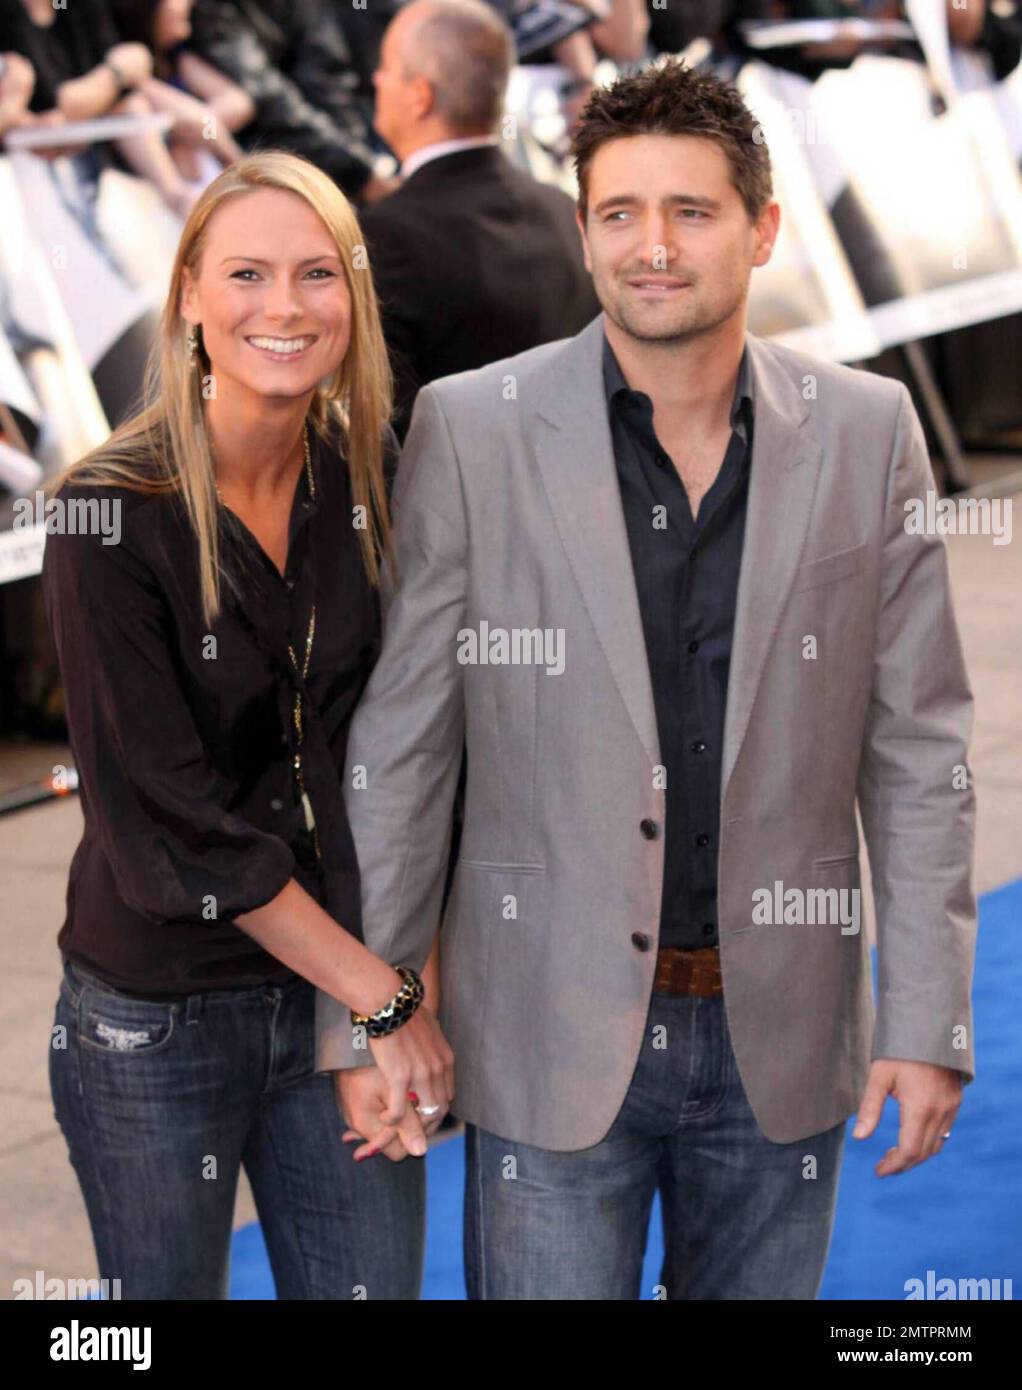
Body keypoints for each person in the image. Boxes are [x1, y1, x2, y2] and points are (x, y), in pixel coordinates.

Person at [317, 59, 977, 1299]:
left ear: (762, 229)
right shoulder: (474, 428)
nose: (651, 246)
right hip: (543, 1031)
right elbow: (403, 746)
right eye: (619, 213)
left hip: (778, 1031)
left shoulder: (865, 429)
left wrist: (927, 1015)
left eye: (690, 210)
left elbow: (916, 747)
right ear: (581, 234)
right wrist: (376, 1013)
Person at [42, 150, 453, 1300]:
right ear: (186, 295)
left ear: (355, 297)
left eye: (317, 274)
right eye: (246, 275)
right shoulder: (107, 515)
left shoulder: (368, 473)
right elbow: (170, 820)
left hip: (337, 988)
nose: (284, 308)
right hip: (158, 1017)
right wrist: (381, 996)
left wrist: (387, 998)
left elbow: (419, 752)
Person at [366, 0, 599, 438]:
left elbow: (390, 431)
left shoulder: (384, 236)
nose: (375, 79)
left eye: (386, 67)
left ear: (421, 96)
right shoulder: (564, 211)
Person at [186, 0, 396, 203]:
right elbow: (267, 96)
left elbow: (327, 77)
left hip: (344, 158)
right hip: (272, 173)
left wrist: (364, 160)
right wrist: (357, 172)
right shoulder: (210, 11)